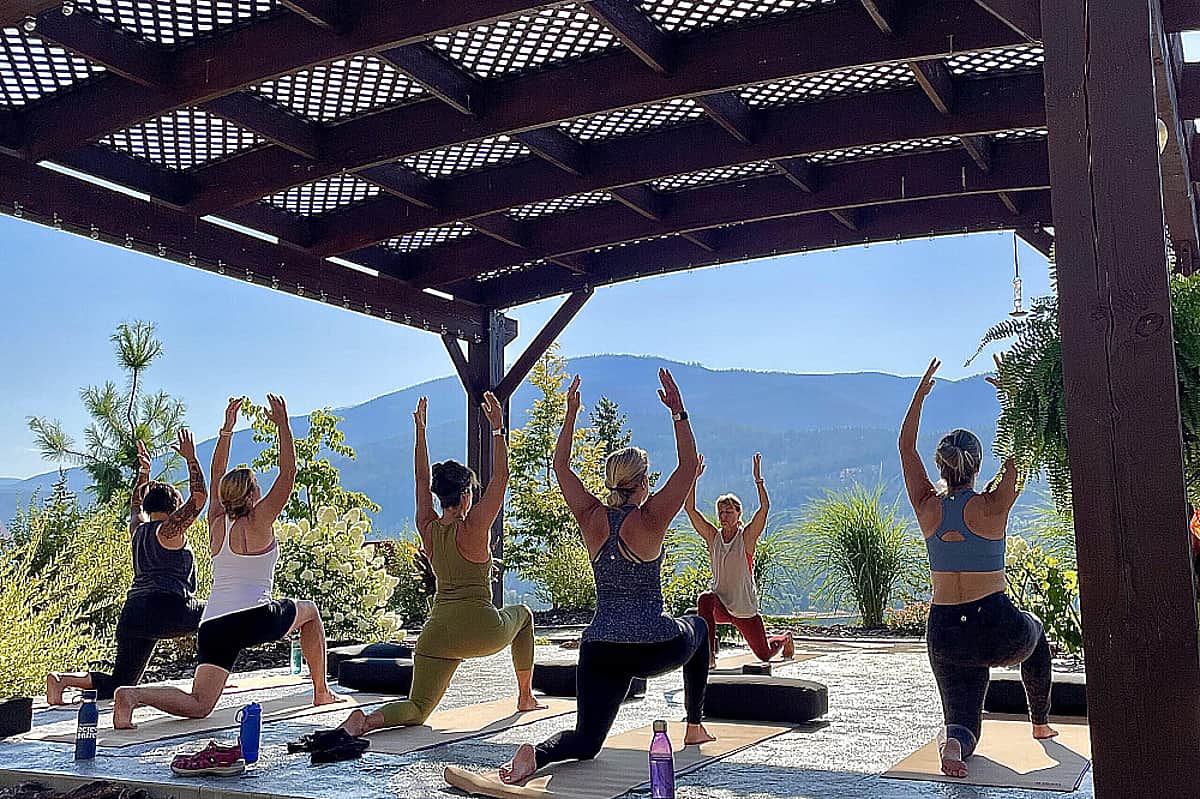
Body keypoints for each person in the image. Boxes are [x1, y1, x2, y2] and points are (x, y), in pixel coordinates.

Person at [499, 369, 715, 785]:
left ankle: (536, 755)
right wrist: (678, 412)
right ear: (643, 482)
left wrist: (570, 414)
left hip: (599, 648)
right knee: (701, 625)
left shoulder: (590, 516)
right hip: (652, 644)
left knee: (586, 741)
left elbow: (560, 465)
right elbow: (689, 465)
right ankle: (694, 725)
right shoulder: (650, 519)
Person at [113, 395, 341, 731]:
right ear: (252, 494)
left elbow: (217, 471)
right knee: (309, 611)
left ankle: (132, 696)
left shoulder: (216, 520)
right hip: (254, 618)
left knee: (199, 704)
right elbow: (288, 473)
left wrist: (227, 429)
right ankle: (321, 692)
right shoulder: (259, 520)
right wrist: (283, 425)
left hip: (214, 624)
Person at [337, 392, 541, 738]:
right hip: (481, 631)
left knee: (417, 707)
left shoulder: (428, 526)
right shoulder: (474, 527)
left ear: (440, 496)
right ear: (465, 496)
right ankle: (525, 697)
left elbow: (420, 481)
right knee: (523, 615)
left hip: (435, 635)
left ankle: (366, 721)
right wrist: (497, 429)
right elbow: (502, 478)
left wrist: (420, 431)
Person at [900, 357, 1056, 778]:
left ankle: (954, 742)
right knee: (1036, 631)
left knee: (963, 721)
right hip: (995, 625)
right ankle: (1040, 724)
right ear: (977, 465)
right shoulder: (993, 506)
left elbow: (905, 448)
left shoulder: (926, 506)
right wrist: (1014, 397)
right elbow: (1023, 451)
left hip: (945, 630)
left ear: (940, 466)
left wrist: (919, 397)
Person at [46, 432, 207, 705]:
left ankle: (63, 680)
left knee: (120, 683)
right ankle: (211, 680)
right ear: (174, 507)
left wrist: (144, 473)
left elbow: (135, 504)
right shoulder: (169, 530)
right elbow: (200, 497)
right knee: (221, 613)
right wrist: (191, 458)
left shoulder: (137, 528)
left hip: (133, 612)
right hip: (167, 607)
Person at [686, 452, 794, 667]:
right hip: (721, 606)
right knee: (705, 599)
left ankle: (784, 638)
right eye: (721, 512)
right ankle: (709, 655)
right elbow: (690, 509)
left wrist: (758, 480)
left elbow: (764, 509)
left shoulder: (746, 538)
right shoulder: (713, 537)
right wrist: (693, 479)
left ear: (738, 514)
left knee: (764, 654)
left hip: (744, 609)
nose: (723, 516)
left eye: (728, 512)